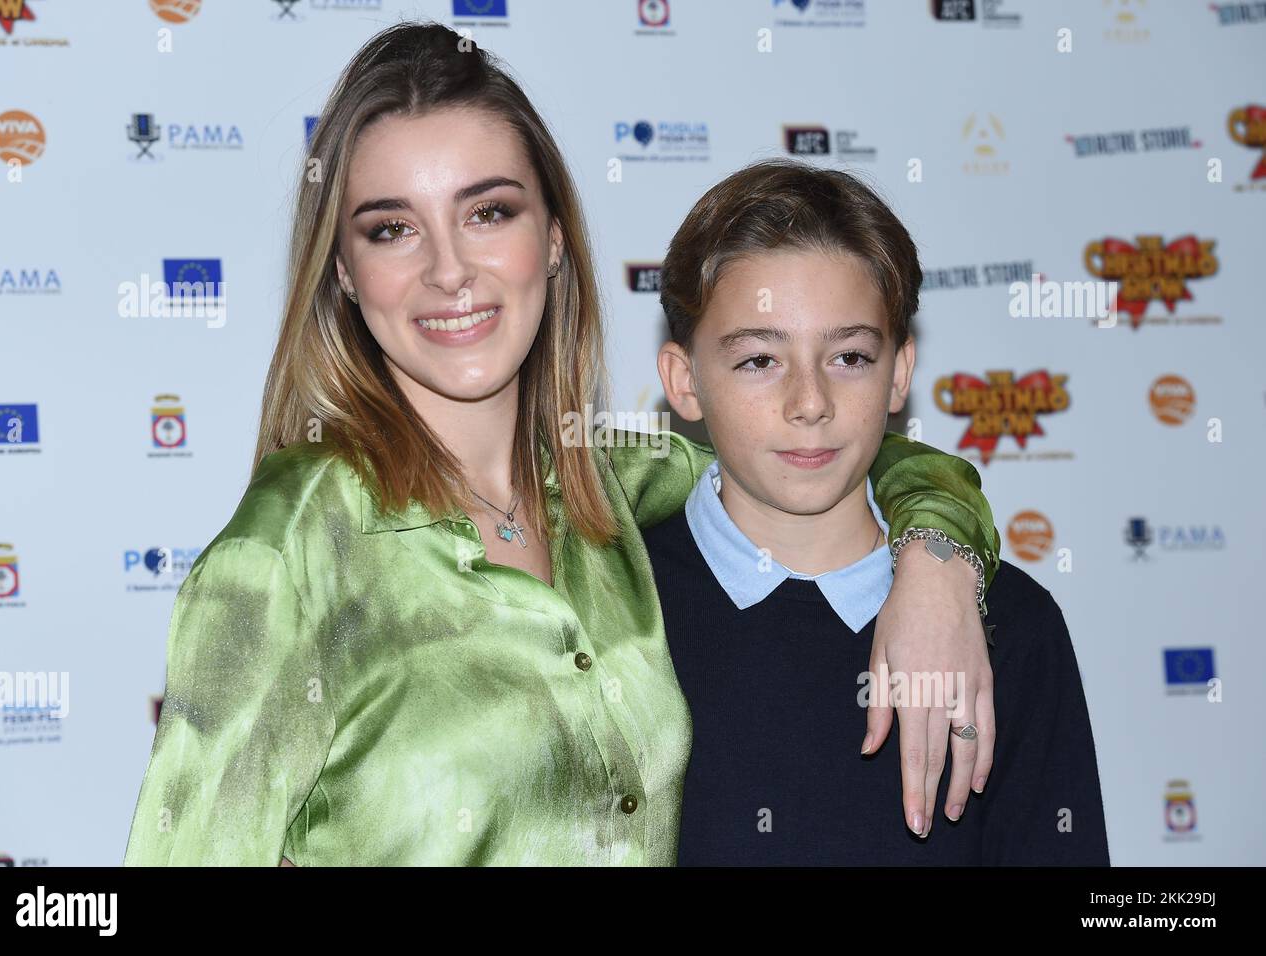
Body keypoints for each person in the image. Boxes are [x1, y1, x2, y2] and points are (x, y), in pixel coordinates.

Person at [122, 23, 1001, 866]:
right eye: (392, 228)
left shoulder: (608, 480)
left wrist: (936, 568)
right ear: (345, 272)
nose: (449, 270)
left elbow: (832, 455)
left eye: (487, 212)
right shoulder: (290, 549)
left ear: (551, 239)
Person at [646, 159, 1109, 864]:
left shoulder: (1011, 625)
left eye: (851, 357)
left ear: (899, 373)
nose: (811, 402)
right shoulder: (614, 605)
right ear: (684, 381)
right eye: (759, 361)